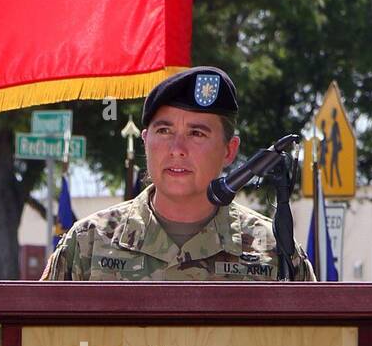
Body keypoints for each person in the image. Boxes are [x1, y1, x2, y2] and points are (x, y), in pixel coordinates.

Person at [39, 66, 316, 282]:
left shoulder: (273, 249)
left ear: (229, 151)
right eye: (164, 131)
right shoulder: (89, 242)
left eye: (196, 133)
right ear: (145, 141)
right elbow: (39, 344)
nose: (177, 149)